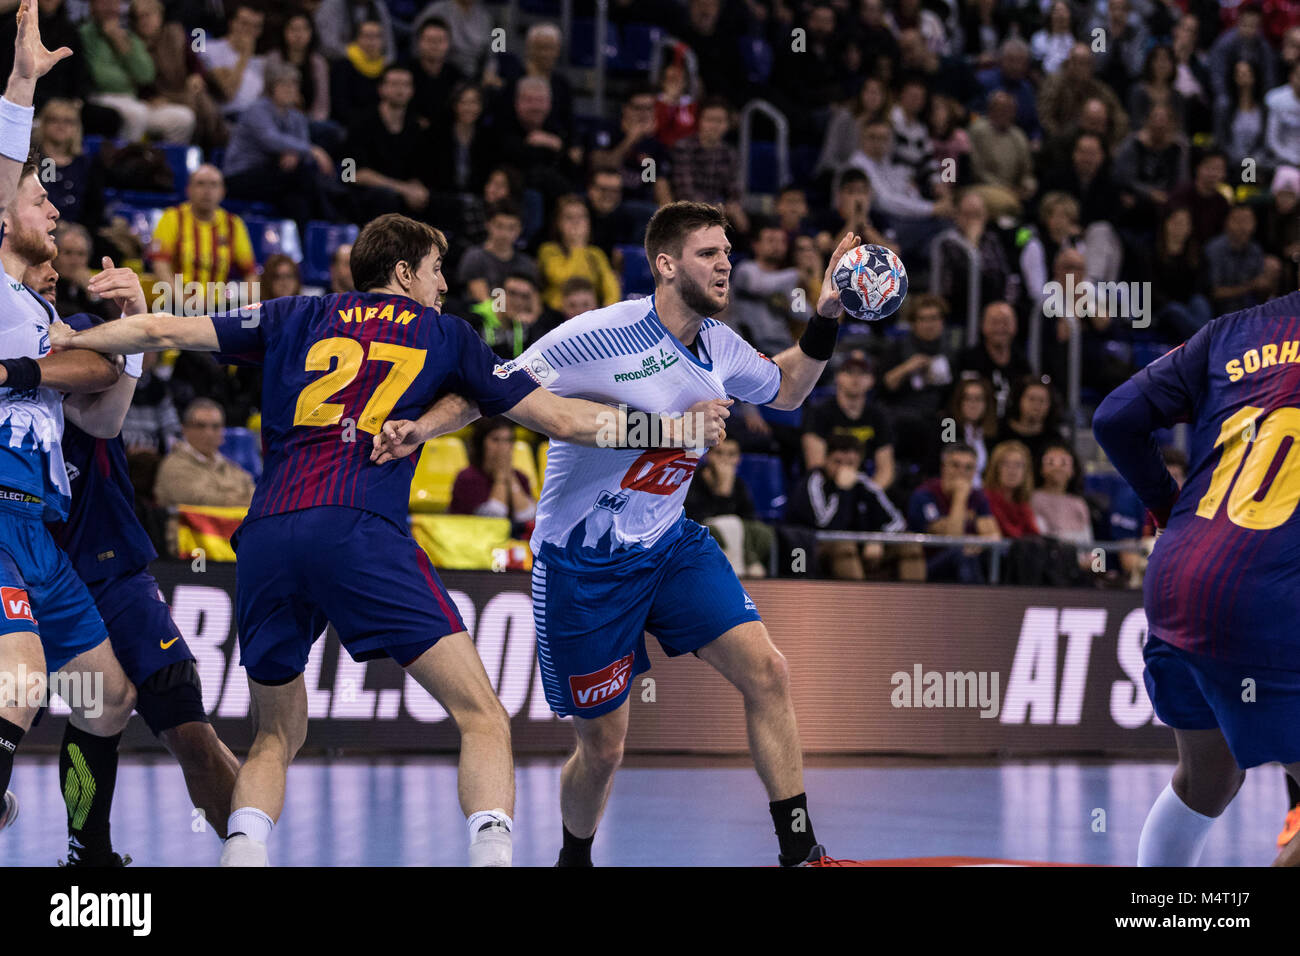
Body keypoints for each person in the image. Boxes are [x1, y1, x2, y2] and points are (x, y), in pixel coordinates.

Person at [52, 211, 731, 868]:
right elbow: (563, 420)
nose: (444, 286)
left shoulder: (296, 313)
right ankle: (494, 857)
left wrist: (58, 341)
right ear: (404, 272)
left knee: (275, 735)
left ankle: (243, 853)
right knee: (483, 715)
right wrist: (670, 431)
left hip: (266, 535)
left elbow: (164, 329)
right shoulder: (448, 335)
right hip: (358, 527)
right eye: (436, 271)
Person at [373, 203, 864, 867]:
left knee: (769, 672)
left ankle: (800, 850)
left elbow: (787, 389)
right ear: (665, 265)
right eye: (708, 254)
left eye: (727, 253)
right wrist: (421, 430)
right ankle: (575, 856)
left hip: (668, 546)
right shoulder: (599, 336)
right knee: (604, 750)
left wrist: (827, 315)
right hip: (583, 567)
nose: (726, 265)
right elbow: (497, 386)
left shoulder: (719, 343)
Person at [27, 257, 241, 863]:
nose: (47, 266)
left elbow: (104, 415)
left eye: (50, 259)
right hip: (27, 571)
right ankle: (85, 854)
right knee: (91, 707)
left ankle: (248, 850)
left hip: (112, 568)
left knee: (191, 730)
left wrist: (135, 324)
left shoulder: (74, 332)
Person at [1093, 287, 1300, 868]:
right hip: (1267, 593)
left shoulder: (1233, 330)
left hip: (1179, 574)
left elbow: (1113, 418)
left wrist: (1166, 507)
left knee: (1208, 775)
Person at [0, 0, 140, 858]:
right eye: (33, 190)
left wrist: (134, 333)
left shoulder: (37, 312)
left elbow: (103, 406)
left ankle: (87, 856)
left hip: (41, 528)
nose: (50, 203)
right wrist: (20, 81)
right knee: (18, 680)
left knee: (106, 697)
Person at [787, 433, 912, 581]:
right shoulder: (813, 482)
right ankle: (859, 602)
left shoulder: (863, 483)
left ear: (859, 462)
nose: (844, 469)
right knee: (845, 547)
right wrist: (843, 491)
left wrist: (876, 539)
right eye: (838, 462)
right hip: (810, 548)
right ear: (826, 460)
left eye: (850, 463)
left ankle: (918, 602)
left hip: (857, 546)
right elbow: (827, 527)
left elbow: (897, 522)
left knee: (910, 547)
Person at [80, 0, 193, 142]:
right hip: (100, 98)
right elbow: (100, 77)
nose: (109, 8)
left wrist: (121, 44)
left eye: (113, 3)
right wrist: (130, 79)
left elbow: (146, 75)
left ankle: (160, 162)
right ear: (91, 6)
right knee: (136, 114)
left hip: (133, 100)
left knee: (183, 118)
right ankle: (128, 160)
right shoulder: (84, 35)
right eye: (103, 3)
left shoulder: (129, 35)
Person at [149, 164, 257, 289]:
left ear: (222, 192)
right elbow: (160, 264)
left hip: (219, 305)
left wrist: (251, 303)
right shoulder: (172, 217)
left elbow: (250, 271)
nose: (207, 191)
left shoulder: (233, 223)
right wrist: (182, 300)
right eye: (200, 184)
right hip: (177, 302)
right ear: (188, 190)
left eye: (214, 185)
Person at [907, 442, 1001, 583]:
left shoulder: (977, 496)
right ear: (943, 467)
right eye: (955, 465)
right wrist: (960, 496)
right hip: (929, 567)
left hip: (970, 560)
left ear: (975, 471)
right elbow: (953, 539)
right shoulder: (924, 495)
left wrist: (978, 545)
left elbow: (994, 536)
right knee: (961, 554)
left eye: (968, 467)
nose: (961, 472)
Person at [800, 350, 895, 491]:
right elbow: (816, 466)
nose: (855, 378)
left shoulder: (878, 416)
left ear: (872, 381)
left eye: (863, 373)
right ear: (838, 376)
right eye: (849, 371)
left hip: (865, 487)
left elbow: (886, 469)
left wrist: (869, 493)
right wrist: (843, 491)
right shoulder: (819, 413)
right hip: (826, 487)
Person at [684, 438, 773, 578]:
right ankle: (744, 563)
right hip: (707, 539)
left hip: (739, 541)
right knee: (723, 525)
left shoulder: (739, 484)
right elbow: (695, 519)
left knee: (761, 531)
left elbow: (749, 518)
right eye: (719, 453)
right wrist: (722, 491)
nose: (725, 460)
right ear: (708, 455)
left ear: (738, 459)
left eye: (731, 454)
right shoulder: (693, 481)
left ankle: (745, 559)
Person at [152, 398, 255, 507]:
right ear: (185, 429)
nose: (208, 433)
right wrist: (243, 499)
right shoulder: (173, 466)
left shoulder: (230, 467)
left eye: (215, 427)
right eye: (200, 426)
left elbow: (255, 495)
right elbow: (203, 500)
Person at [449, 416, 535, 530]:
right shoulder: (467, 478)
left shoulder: (521, 478)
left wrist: (510, 477)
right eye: (496, 440)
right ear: (481, 443)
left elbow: (528, 517)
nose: (503, 447)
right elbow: (491, 521)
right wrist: (500, 479)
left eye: (508, 440)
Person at [537, 195, 620, 311]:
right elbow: (562, 279)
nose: (576, 222)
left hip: (588, 315)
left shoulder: (595, 254)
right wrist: (577, 245)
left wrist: (607, 312)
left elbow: (611, 288)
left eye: (581, 217)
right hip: (557, 315)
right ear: (558, 223)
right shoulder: (548, 250)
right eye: (569, 217)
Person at [954, 301, 1030, 420]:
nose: (1000, 328)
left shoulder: (1022, 362)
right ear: (983, 325)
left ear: (1015, 326)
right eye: (994, 322)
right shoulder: (967, 360)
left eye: (1005, 322)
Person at [1031, 441, 1093, 567]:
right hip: (1051, 567)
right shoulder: (1034, 498)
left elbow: (1091, 546)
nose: (1057, 467)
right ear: (1041, 469)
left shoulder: (1079, 503)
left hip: (1081, 570)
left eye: (1064, 463)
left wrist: (1096, 567)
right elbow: (1043, 539)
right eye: (1051, 462)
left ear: (1073, 470)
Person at [982, 439, 1039, 538]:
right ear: (996, 468)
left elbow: (1034, 533)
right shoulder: (985, 498)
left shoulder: (1022, 503)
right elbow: (1008, 532)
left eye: (1018, 465)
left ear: (1025, 471)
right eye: (1005, 464)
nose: (1012, 471)